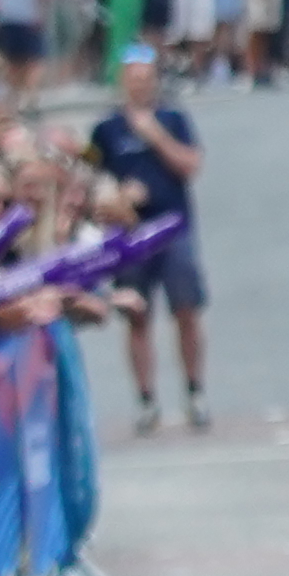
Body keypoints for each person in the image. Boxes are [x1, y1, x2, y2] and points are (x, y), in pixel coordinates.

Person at [89, 57, 210, 432]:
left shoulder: (173, 121)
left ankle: (194, 391)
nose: (140, 85)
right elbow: (91, 178)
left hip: (173, 228)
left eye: (147, 79)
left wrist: (156, 136)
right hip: (130, 236)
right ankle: (146, 398)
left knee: (186, 311)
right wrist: (117, 196)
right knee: (137, 316)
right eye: (133, 79)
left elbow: (191, 164)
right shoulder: (107, 130)